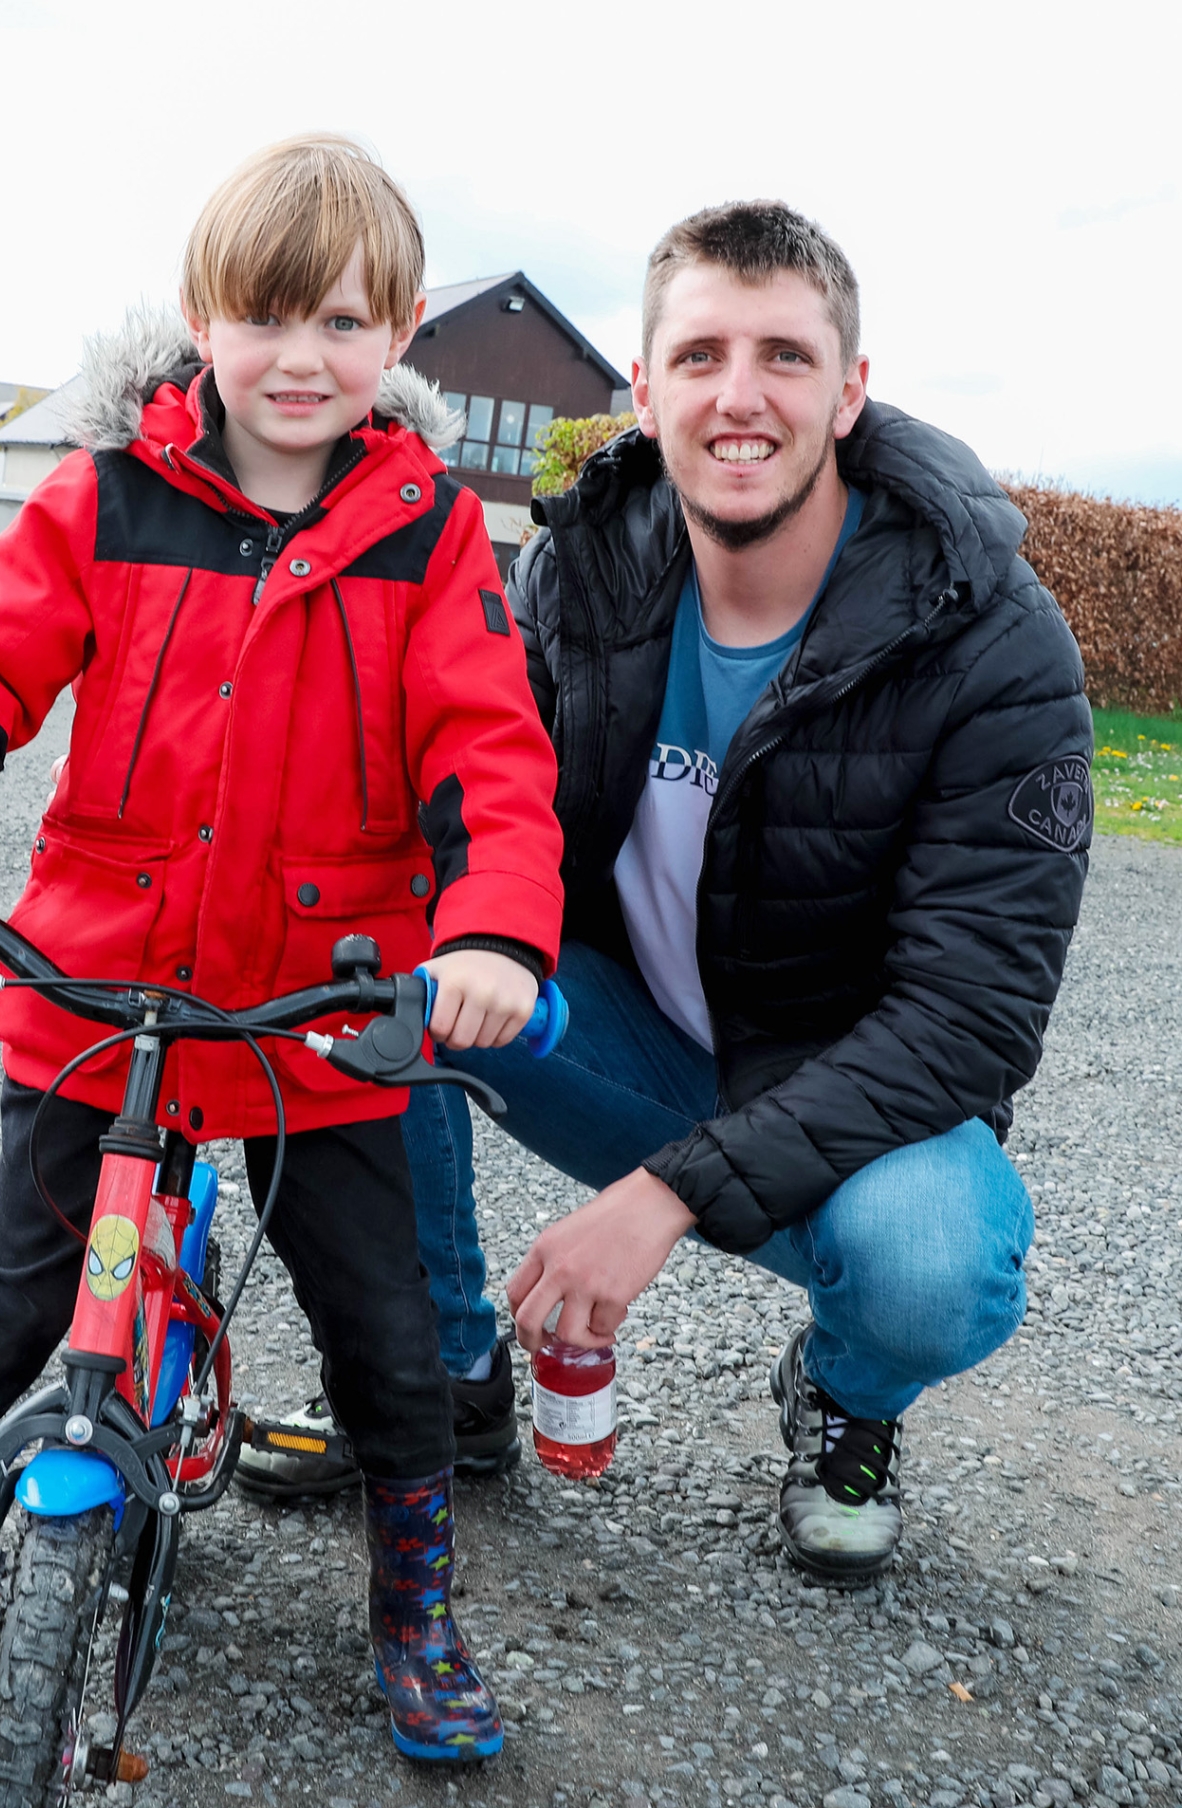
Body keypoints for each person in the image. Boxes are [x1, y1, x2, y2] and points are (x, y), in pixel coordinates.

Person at [0, 134, 565, 1762]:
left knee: (384, 1334)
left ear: (405, 332)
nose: (303, 359)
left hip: (326, 1014)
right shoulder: (100, 498)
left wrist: (491, 934)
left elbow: (489, 757)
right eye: (267, 318)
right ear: (200, 319)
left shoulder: (430, 535)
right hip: (104, 994)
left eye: (347, 325)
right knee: (16, 1286)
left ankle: (413, 1596)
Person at [246, 199, 1092, 1586]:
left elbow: (968, 1020)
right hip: (616, 1034)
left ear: (849, 389)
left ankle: (846, 1400)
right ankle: (442, 1377)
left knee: (932, 1266)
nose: (738, 397)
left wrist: (662, 1196)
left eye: (783, 356)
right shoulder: (578, 569)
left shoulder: (988, 637)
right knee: (373, 961)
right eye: (698, 356)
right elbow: (456, 816)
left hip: (851, 1083)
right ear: (644, 390)